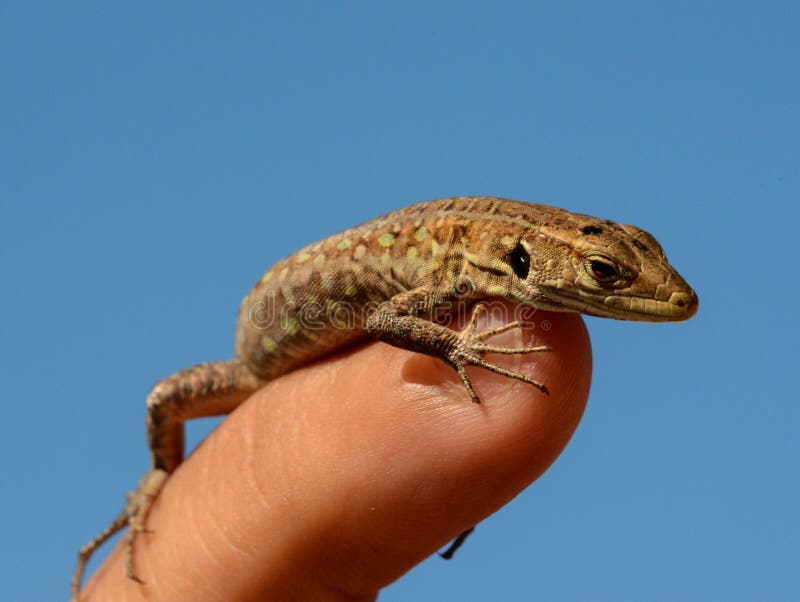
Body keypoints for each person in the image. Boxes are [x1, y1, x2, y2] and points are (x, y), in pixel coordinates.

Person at [81, 303, 590, 601]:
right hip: (261, 360)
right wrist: (456, 348)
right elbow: (388, 315)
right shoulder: (454, 263)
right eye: (602, 274)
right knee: (167, 399)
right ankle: (158, 476)